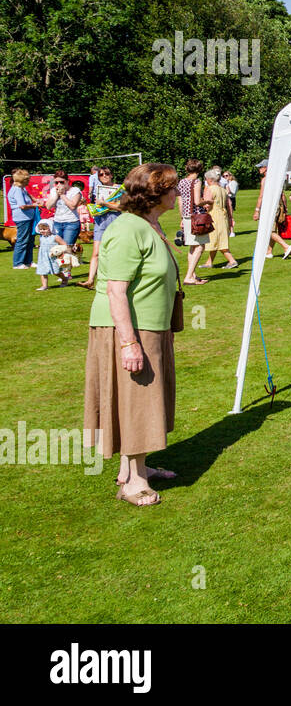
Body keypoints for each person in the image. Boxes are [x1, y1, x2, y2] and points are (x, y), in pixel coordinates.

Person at [84, 163, 183, 507]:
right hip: (128, 327)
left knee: (140, 400)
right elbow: (116, 291)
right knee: (137, 401)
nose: (177, 193)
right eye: (172, 188)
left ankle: (132, 468)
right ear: (155, 194)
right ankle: (134, 483)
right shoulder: (128, 229)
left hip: (152, 325)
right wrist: (129, 343)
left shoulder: (148, 224)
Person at [81, 167, 124, 288]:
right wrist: (87, 204)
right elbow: (97, 208)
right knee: (96, 253)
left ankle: (116, 278)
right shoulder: (97, 190)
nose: (104, 176)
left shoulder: (119, 188)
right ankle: (90, 280)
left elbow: (122, 208)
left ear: (111, 175)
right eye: (101, 174)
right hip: (100, 222)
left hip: (115, 222)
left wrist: (104, 203)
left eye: (107, 174)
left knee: (115, 251)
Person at [177, 159, 212, 286]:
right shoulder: (197, 181)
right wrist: (208, 202)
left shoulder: (181, 182)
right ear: (199, 169)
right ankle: (188, 276)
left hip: (186, 216)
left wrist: (181, 217)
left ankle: (192, 274)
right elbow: (197, 201)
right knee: (200, 246)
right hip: (196, 217)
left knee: (192, 246)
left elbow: (180, 202)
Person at [201, 167, 238, 269]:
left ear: (209, 179)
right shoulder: (223, 190)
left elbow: (207, 205)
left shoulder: (210, 189)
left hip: (214, 216)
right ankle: (209, 262)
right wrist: (231, 218)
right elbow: (229, 204)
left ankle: (231, 260)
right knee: (217, 239)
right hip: (223, 215)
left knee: (218, 240)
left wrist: (200, 205)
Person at [7, 168, 39, 269]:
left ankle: (28, 261)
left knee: (30, 239)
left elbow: (28, 197)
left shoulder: (21, 189)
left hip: (28, 217)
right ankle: (18, 263)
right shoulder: (16, 190)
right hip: (22, 218)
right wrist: (34, 205)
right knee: (22, 240)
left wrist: (36, 200)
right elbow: (22, 205)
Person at [45, 169, 83, 250]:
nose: (58, 184)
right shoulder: (53, 191)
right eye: (56, 182)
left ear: (67, 181)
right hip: (57, 222)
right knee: (56, 248)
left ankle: (69, 262)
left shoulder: (75, 191)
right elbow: (48, 206)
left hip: (71, 223)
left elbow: (73, 206)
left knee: (66, 248)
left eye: (61, 182)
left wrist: (62, 195)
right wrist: (56, 196)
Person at [34, 220, 69, 290]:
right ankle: (44, 286)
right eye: (40, 229)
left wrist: (61, 252)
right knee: (42, 271)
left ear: (50, 228)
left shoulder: (55, 237)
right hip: (43, 257)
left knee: (56, 271)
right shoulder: (41, 237)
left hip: (53, 258)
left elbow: (64, 245)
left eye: (44, 229)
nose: (42, 231)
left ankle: (64, 279)